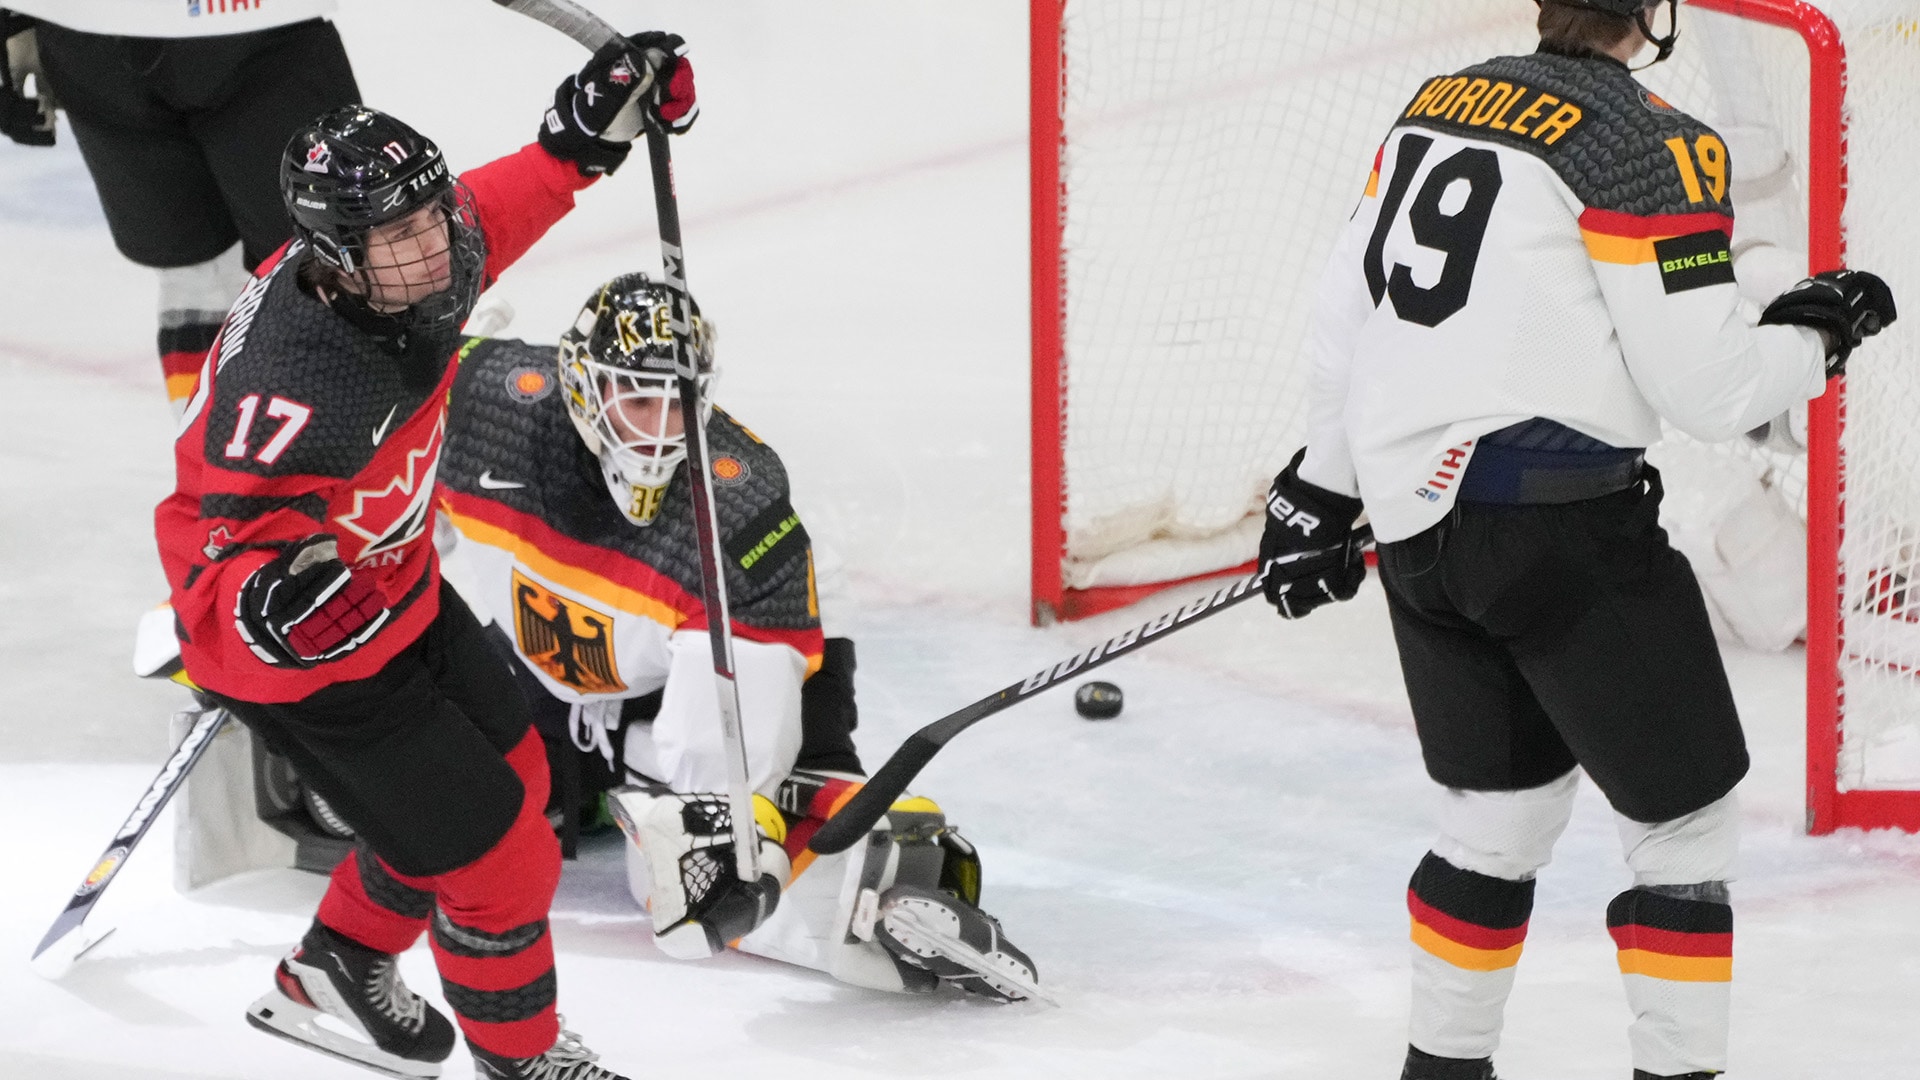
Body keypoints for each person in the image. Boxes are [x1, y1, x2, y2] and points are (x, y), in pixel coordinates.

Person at [1253, 2, 1896, 1078]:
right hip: (1561, 537)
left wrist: (1320, 490)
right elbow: (1710, 387)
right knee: (1684, 833)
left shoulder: (1439, 104)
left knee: (1494, 827)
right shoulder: (1648, 142)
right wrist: (1820, 332)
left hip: (1420, 535)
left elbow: (1345, 316)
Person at [152, 32, 700, 1080]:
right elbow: (211, 549)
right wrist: (265, 606)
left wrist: (577, 141)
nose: (436, 248)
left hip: (398, 593)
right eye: (399, 235)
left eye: (427, 214)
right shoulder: (295, 386)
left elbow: (491, 214)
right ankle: (522, 1061)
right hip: (310, 668)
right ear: (337, 255)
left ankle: (335, 969)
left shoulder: (404, 267)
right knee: (503, 863)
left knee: (520, 779)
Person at [433, 272, 1040, 1001]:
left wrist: (727, 828)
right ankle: (596, 782)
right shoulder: (494, 406)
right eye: (637, 398)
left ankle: (881, 886)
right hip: (557, 675)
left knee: (698, 849)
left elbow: (719, 780)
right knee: (482, 806)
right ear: (582, 386)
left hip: (766, 642)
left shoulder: (734, 510)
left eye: (677, 401)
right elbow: (394, 373)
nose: (660, 428)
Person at [0, 2, 362, 410]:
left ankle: (268, 462)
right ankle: (223, 464)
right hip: (111, 39)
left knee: (326, 262)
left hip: (125, 35)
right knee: (218, 273)